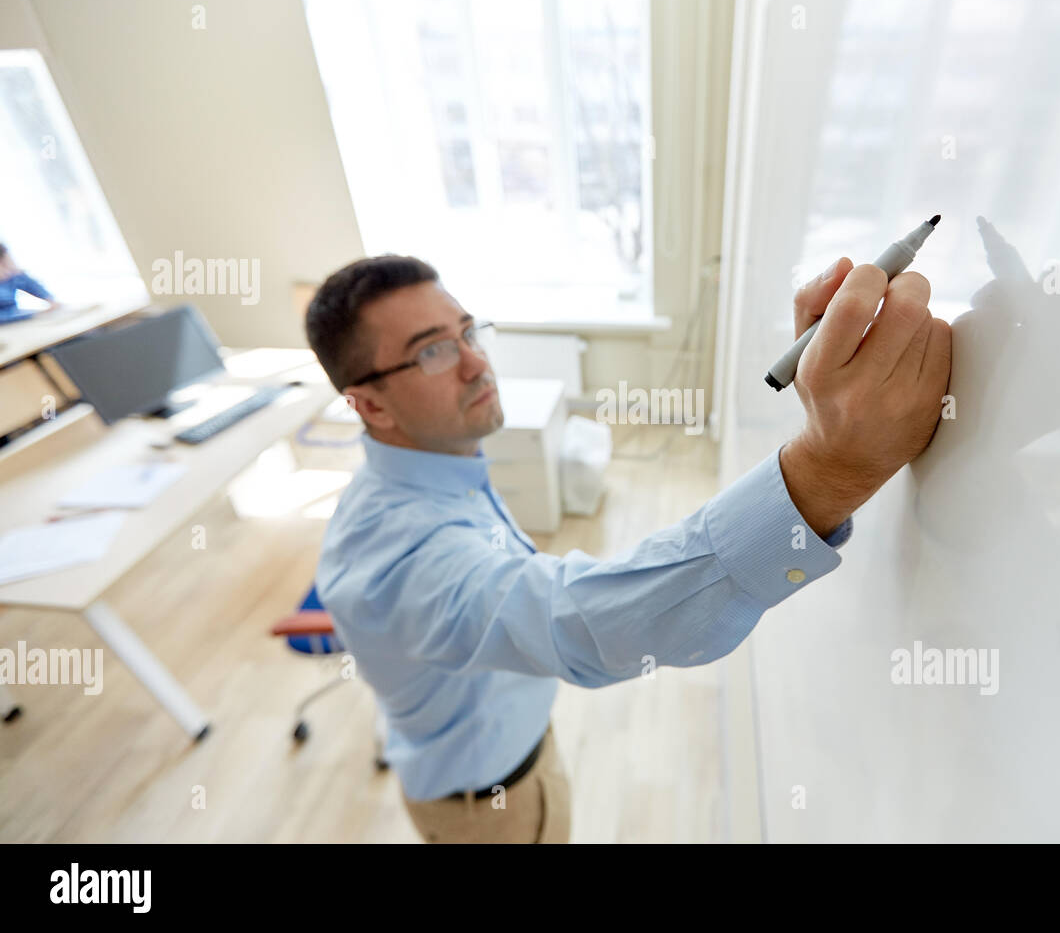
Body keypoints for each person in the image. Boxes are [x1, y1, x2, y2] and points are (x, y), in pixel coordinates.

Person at [305, 253, 950, 843]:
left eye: (469, 332)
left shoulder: (429, 464)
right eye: (431, 354)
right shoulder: (397, 561)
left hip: (510, 743)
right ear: (370, 406)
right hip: (489, 805)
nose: (476, 362)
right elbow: (577, 622)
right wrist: (823, 471)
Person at [0, 243, 58, 320]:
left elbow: (30, 285)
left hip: (16, 318)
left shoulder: (13, 276)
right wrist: (30, 315)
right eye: (3, 265)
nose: (8, 271)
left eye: (8, 264)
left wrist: (50, 300)